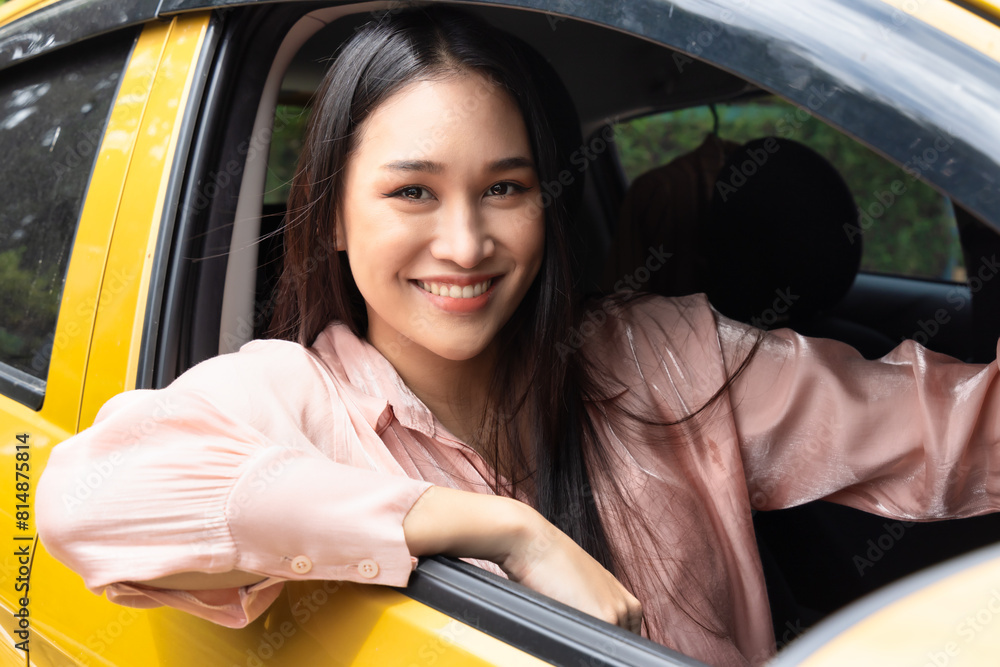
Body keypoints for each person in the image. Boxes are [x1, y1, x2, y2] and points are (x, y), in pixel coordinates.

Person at [35, 7, 1000, 667]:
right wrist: (501, 531)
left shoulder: (672, 359)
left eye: (504, 188)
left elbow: (960, 432)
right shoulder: (292, 399)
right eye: (412, 191)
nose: (465, 243)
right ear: (332, 216)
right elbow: (84, 499)